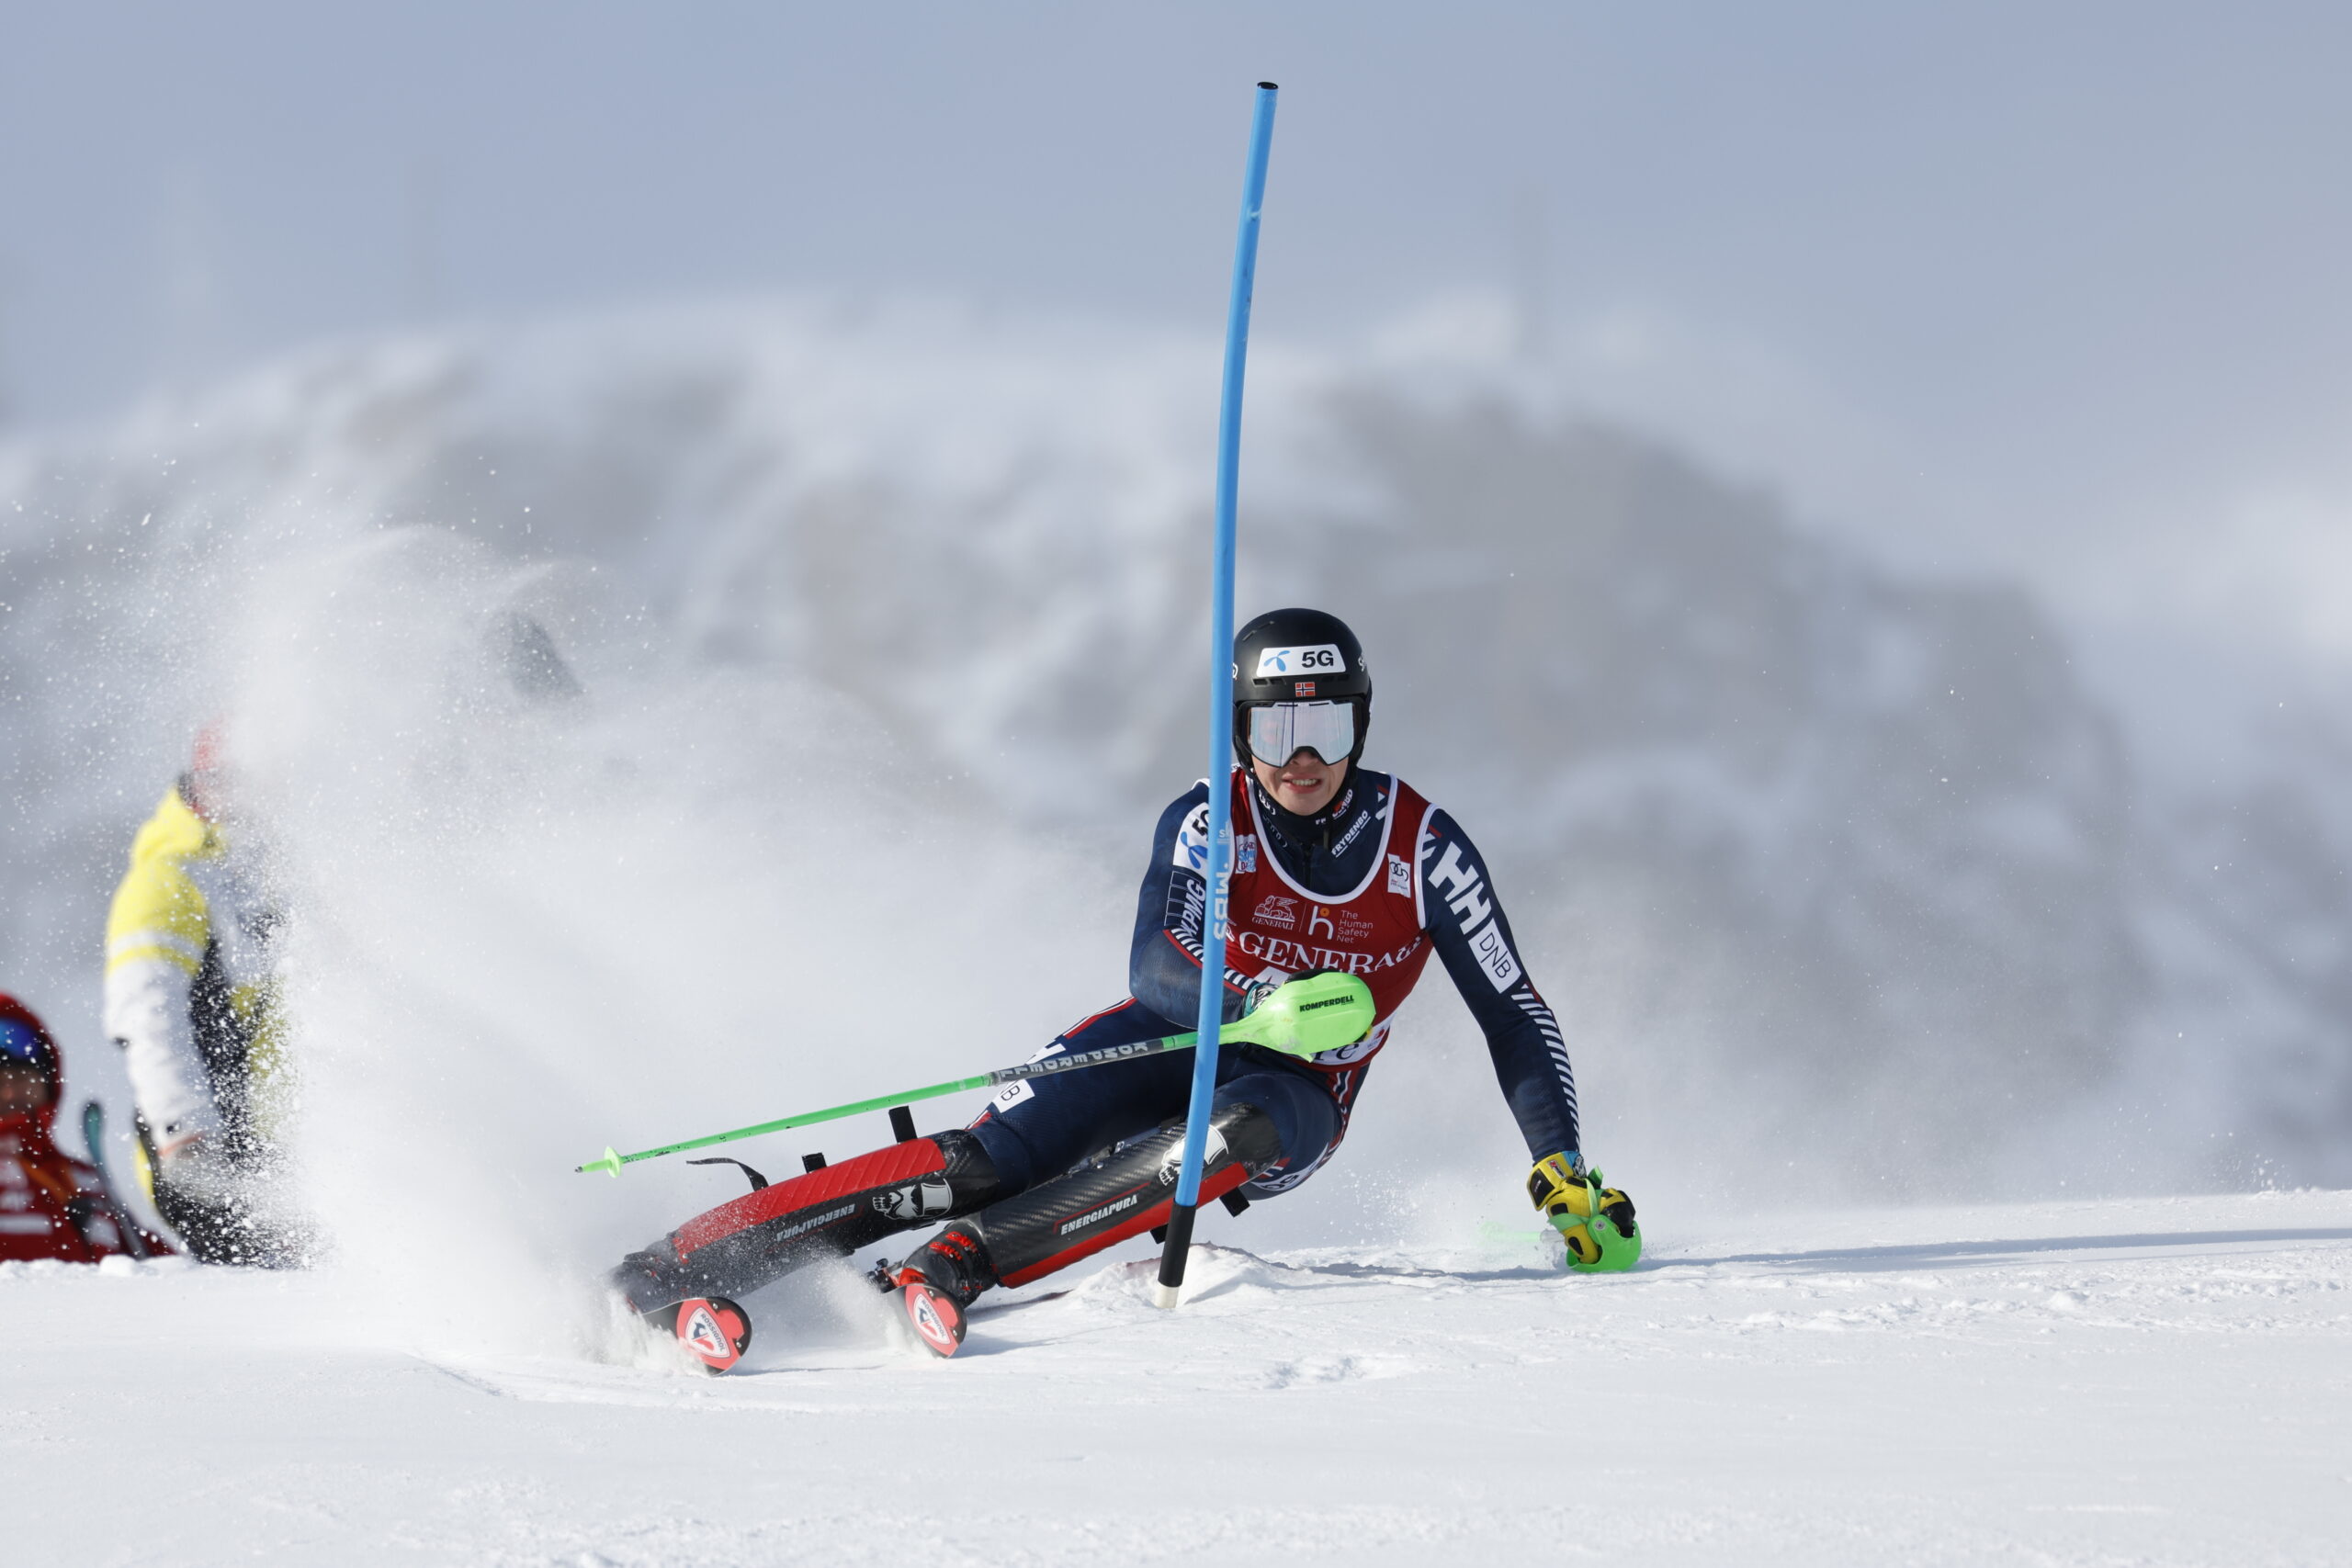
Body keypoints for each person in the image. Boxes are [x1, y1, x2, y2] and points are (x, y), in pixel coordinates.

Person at [612, 608, 1638, 1368]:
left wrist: (1559, 1164)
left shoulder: (1421, 847)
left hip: (1297, 1094)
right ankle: (673, 1266)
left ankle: (957, 1263)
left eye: (1326, 727)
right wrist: (1252, 1002)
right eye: (1276, 732)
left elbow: (1513, 1009)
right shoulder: (1209, 818)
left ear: (1360, 728)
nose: (1303, 759)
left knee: (1227, 1134)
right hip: (1168, 1033)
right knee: (986, 1157)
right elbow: (1154, 966)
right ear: (1241, 732)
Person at [102, 728, 302, 1265]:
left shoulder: (280, 878)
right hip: (214, 1162)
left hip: (299, 1162)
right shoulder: (168, 878)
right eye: (227, 781)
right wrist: (186, 1137)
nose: (245, 799)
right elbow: (148, 1016)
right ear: (200, 784)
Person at [0, 992, 171, 1263]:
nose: (10, 1094)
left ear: (49, 1083)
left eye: (22, 1079)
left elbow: (160, 1271)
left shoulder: (86, 1181)